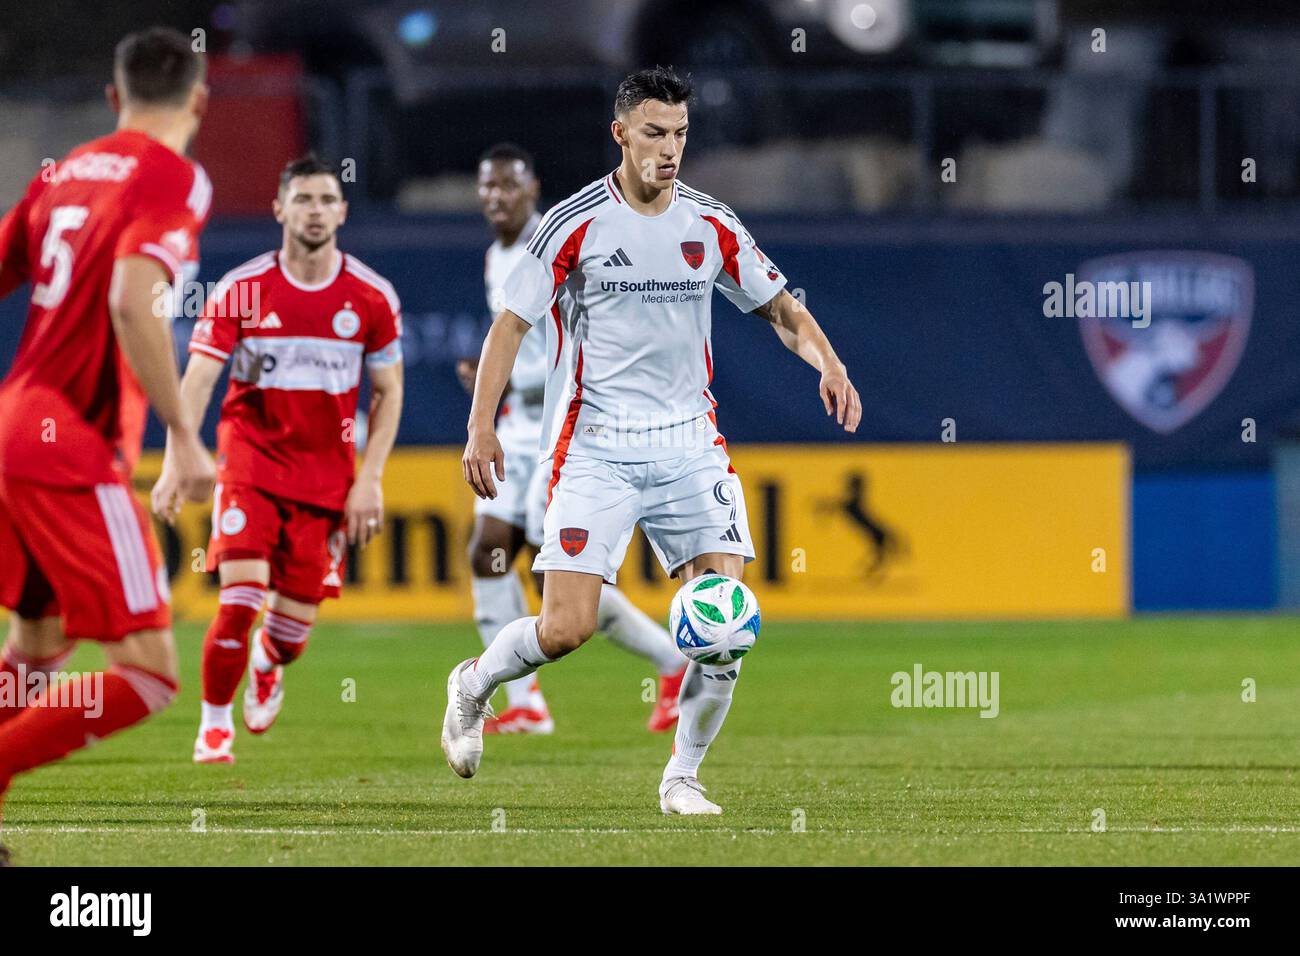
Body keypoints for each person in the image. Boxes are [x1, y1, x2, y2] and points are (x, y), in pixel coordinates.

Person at [443, 67, 861, 814]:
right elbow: (511, 326)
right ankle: (474, 684)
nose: (669, 150)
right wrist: (481, 426)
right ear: (622, 134)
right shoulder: (574, 223)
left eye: (680, 135)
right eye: (655, 134)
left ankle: (682, 778)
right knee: (567, 628)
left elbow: (780, 308)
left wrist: (828, 362)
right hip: (597, 444)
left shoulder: (711, 223)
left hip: (689, 444)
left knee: (724, 623)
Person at [0, 27, 214, 862]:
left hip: (15, 426)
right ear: (198, 100)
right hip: (69, 449)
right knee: (149, 670)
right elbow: (135, 300)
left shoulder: (66, 169)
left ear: (113, 98)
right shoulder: (175, 179)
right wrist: (186, 436)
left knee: (39, 645)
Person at [152, 156, 404, 764]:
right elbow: (198, 380)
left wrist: (370, 479)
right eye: (303, 199)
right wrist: (173, 461)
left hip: (326, 479)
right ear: (280, 209)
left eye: (325, 199)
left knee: (290, 637)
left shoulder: (370, 296)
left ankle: (269, 660)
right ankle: (213, 724)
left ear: (341, 212)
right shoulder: (241, 291)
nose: (314, 210)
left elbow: (389, 390)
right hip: (250, 465)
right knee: (237, 601)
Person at [459, 143, 686, 735]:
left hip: (565, 418)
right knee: (486, 550)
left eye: (509, 185)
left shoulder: (559, 237)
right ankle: (527, 702)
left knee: (551, 572)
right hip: (517, 418)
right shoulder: (494, 256)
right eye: (487, 187)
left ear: (533, 188)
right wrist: (490, 381)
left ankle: (671, 661)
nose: (497, 197)